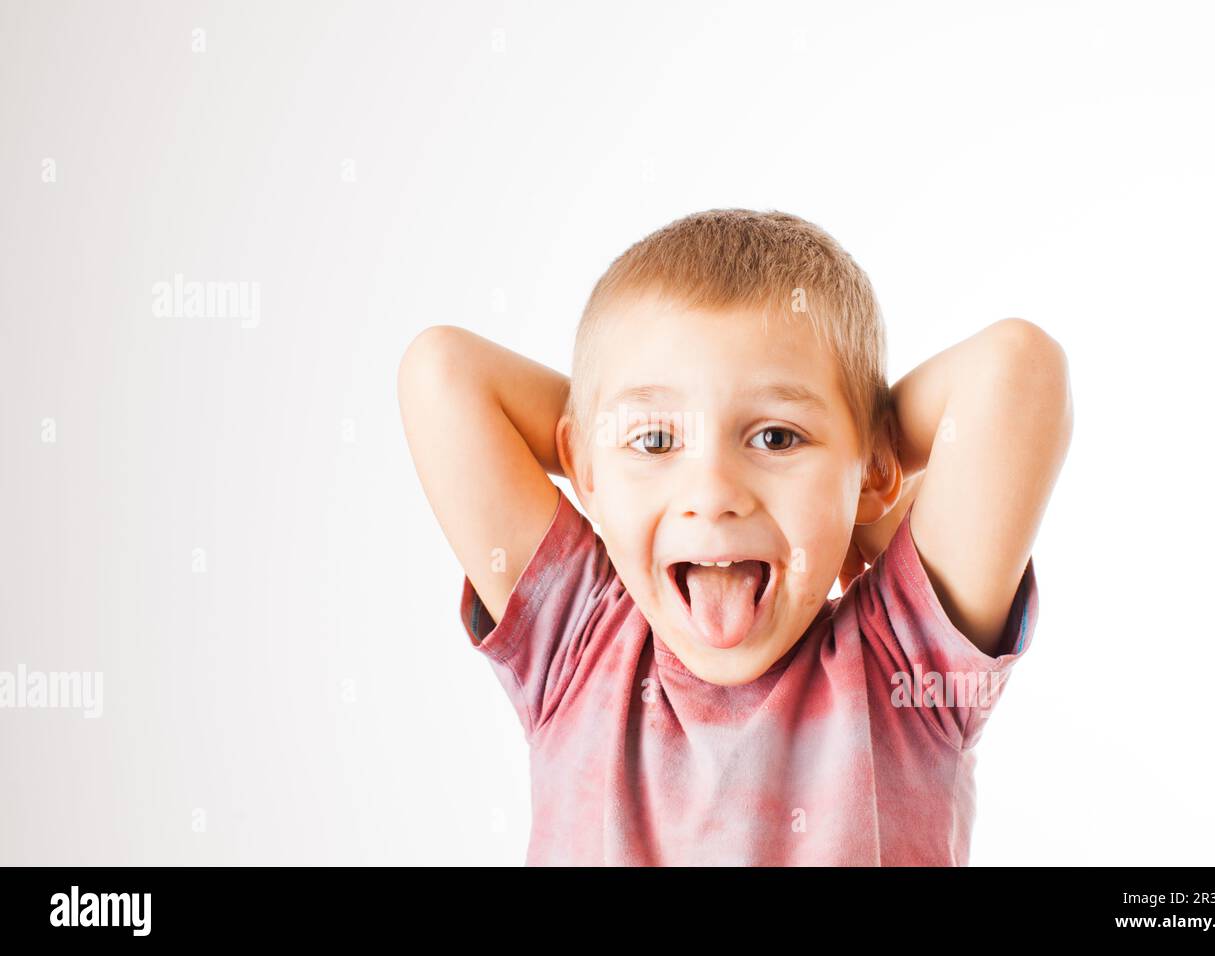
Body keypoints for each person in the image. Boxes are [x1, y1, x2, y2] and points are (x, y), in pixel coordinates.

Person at [397, 208, 1073, 865]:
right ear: (586, 465)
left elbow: (1019, 370)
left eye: (776, 436)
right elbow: (441, 373)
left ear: (871, 468)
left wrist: (875, 476)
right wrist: (604, 440)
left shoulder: (906, 669)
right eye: (657, 440)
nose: (713, 493)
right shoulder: (579, 646)